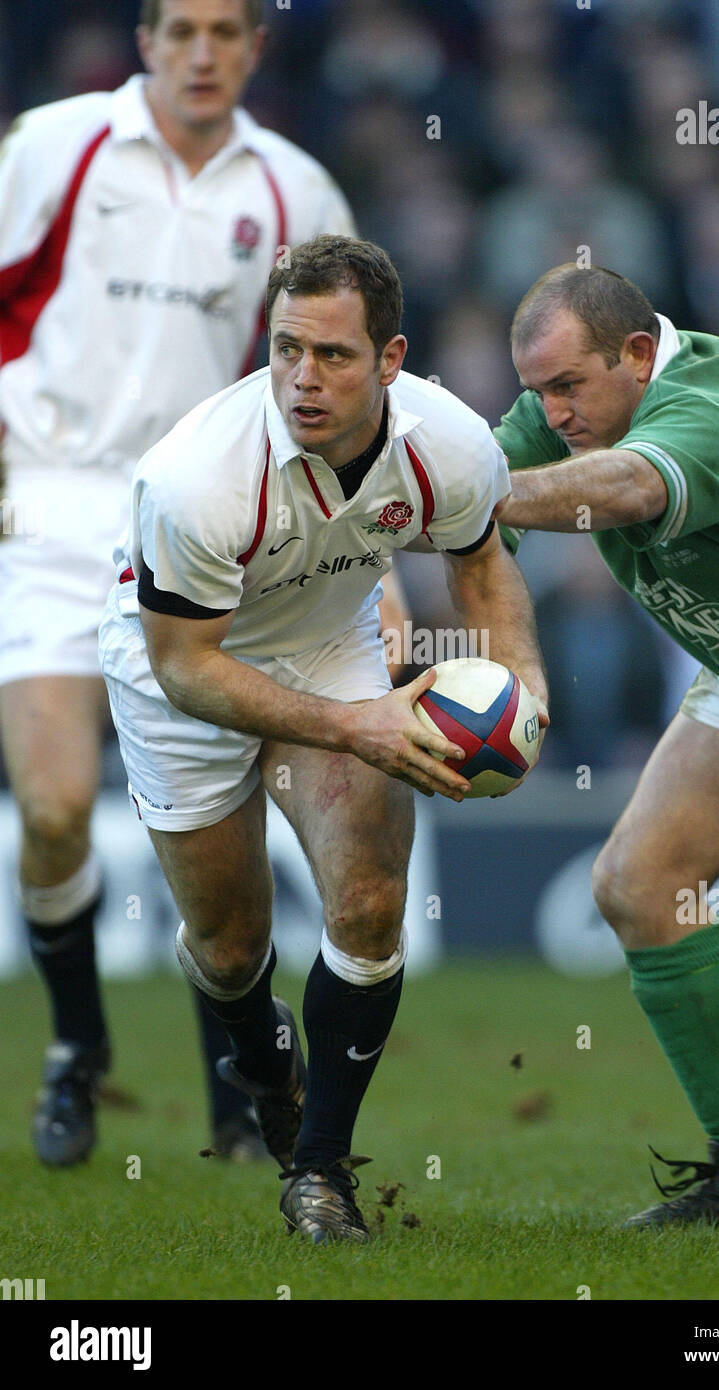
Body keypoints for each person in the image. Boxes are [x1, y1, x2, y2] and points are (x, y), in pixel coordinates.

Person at [97, 233, 548, 1243]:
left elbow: (480, 568)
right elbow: (187, 666)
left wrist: (525, 684)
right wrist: (359, 722)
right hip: (180, 670)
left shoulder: (454, 445)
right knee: (226, 945)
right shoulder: (194, 479)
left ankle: (319, 1172)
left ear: (390, 359)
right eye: (286, 347)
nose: (302, 377)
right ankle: (262, 1062)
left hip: (330, 644)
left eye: (333, 355)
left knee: (369, 901)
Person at [0, 0, 357, 1168]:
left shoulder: (296, 190)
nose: (202, 54)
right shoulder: (56, 146)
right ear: (142, 41)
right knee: (53, 809)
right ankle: (78, 1050)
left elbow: (328, 376)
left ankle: (236, 1082)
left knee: (210, 813)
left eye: (227, 32)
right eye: (181, 30)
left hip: (205, 521)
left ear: (258, 46)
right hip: (48, 505)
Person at [494, 261, 719, 1228]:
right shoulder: (562, 407)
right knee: (639, 884)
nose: (552, 414)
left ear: (638, 354)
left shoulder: (717, 405)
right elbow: (469, 500)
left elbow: (622, 488)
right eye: (536, 392)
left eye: (569, 387)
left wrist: (456, 502)